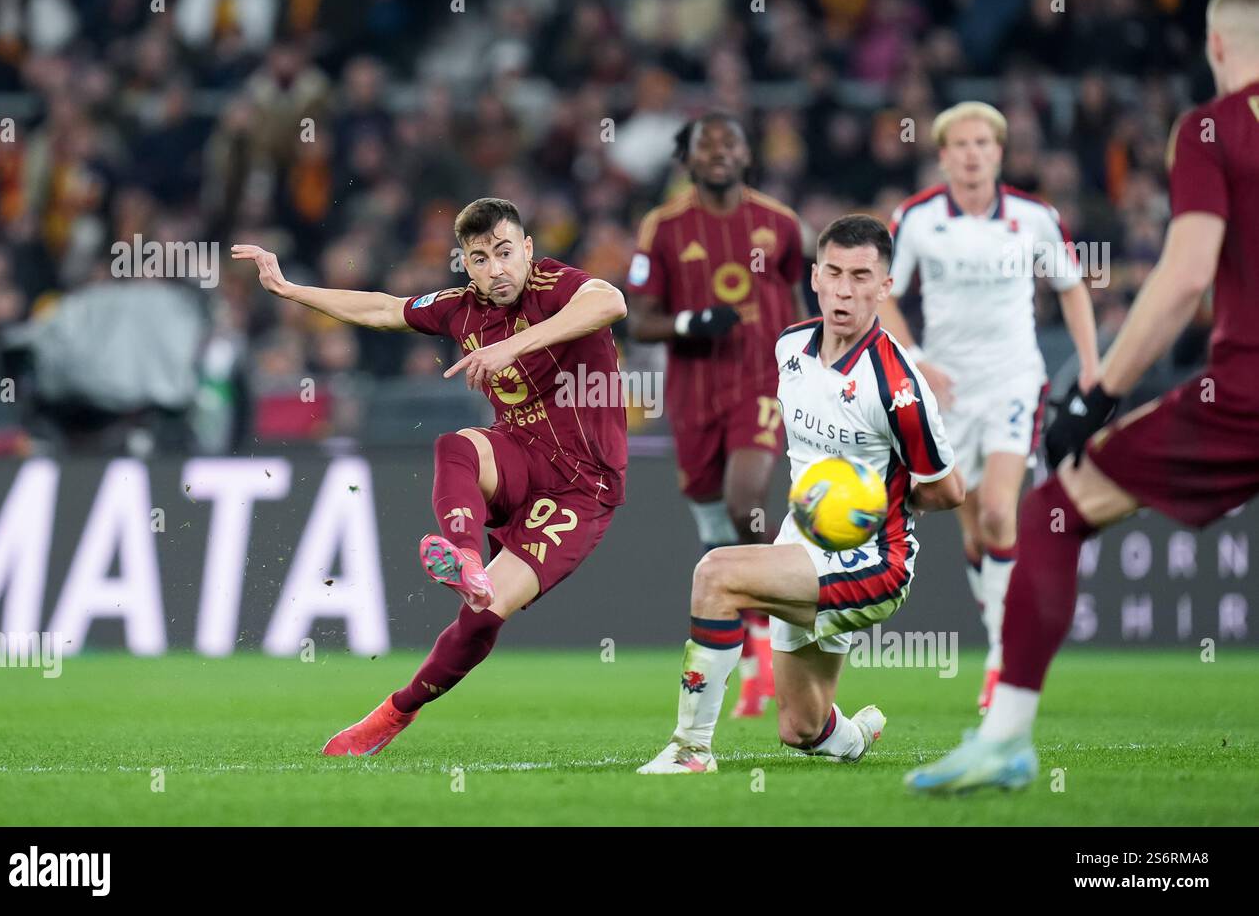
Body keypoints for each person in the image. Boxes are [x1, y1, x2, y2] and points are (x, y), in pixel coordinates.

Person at [906, 0, 1259, 793]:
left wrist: (1097, 393)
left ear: (1213, 46)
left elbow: (1182, 278)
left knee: (1050, 510)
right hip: (968, 383)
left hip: (1244, 397)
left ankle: (1004, 736)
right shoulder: (925, 220)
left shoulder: (1212, 131)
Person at [232, 196, 628, 756]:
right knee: (456, 446)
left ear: (528, 250)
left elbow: (609, 301)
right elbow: (381, 308)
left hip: (583, 485)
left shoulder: (555, 285)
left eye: (506, 253)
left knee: (484, 616)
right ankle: (465, 558)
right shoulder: (460, 308)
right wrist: (292, 290)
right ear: (465, 263)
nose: (497, 270)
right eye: (481, 259)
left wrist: (512, 345)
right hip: (522, 452)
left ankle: (396, 711)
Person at [637, 214, 963, 774]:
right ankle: (856, 735)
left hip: (873, 560)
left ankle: (691, 751)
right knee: (802, 728)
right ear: (814, 277)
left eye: (862, 277)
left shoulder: (898, 386)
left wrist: (866, 508)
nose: (844, 289)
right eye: (833, 272)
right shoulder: (790, 347)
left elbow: (948, 490)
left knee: (716, 574)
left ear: (884, 288)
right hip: (802, 542)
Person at [878, 101, 1099, 713]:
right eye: (961, 145)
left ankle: (1003, 660)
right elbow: (884, 293)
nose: (973, 154)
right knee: (973, 528)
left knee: (1002, 512)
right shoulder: (917, 218)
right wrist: (916, 357)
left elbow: (1072, 288)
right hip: (947, 390)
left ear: (999, 152)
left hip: (1013, 380)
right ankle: (1001, 636)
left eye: (984, 143)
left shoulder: (1032, 217)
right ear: (943, 155)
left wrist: (1091, 365)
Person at [627, 112, 806, 717]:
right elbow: (639, 316)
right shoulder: (664, 228)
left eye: (731, 142)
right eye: (708, 145)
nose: (720, 152)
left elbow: (802, 307)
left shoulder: (780, 225)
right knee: (713, 528)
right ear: (689, 158)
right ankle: (754, 647)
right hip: (693, 393)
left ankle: (773, 639)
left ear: (747, 153)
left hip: (762, 381)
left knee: (744, 499)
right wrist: (690, 323)